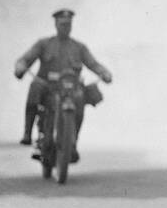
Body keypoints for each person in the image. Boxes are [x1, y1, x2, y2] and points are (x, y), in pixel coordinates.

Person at [13, 9, 112, 162]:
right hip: (47, 88)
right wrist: (20, 67)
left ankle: (73, 142)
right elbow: (25, 59)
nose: (65, 27)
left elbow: (93, 64)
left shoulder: (79, 47)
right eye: (62, 24)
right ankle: (27, 133)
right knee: (34, 87)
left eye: (68, 24)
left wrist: (104, 73)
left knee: (80, 98)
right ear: (56, 24)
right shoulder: (44, 44)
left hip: (70, 91)